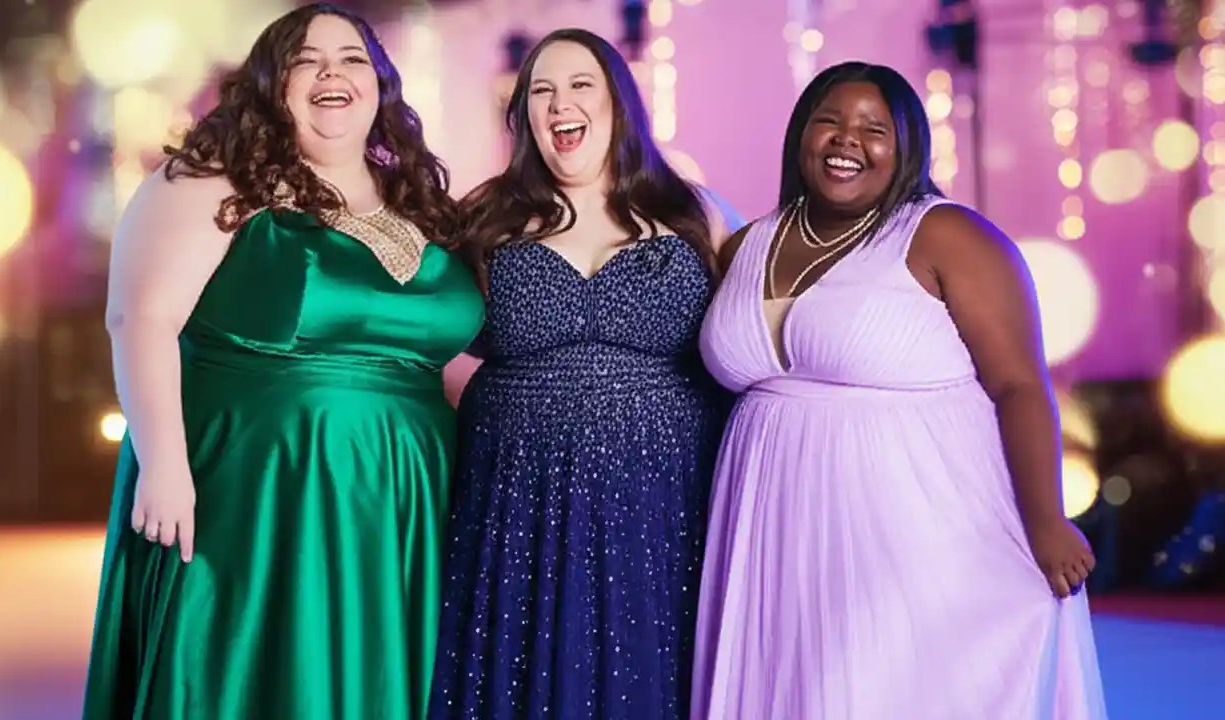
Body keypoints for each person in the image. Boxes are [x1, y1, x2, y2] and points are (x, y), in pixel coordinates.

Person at [82, 5, 483, 718]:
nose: (332, 71)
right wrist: (165, 466)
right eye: (306, 58)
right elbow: (140, 318)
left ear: (381, 86)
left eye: (353, 57)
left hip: (406, 496)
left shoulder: (423, 206)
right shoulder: (214, 181)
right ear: (272, 84)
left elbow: (454, 359)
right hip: (259, 489)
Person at [691, 61, 1107, 720]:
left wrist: (1046, 520)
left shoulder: (947, 235)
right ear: (800, 136)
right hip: (770, 534)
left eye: (872, 128)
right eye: (828, 121)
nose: (845, 140)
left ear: (907, 145)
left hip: (911, 534)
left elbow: (1019, 385)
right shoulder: (748, 243)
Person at [428, 28, 743, 720]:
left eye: (579, 87)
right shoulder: (480, 219)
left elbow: (760, 331)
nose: (558, 104)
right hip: (516, 504)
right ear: (523, 116)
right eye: (540, 91)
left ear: (619, 105)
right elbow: (408, 324)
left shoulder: (697, 213)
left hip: (662, 506)